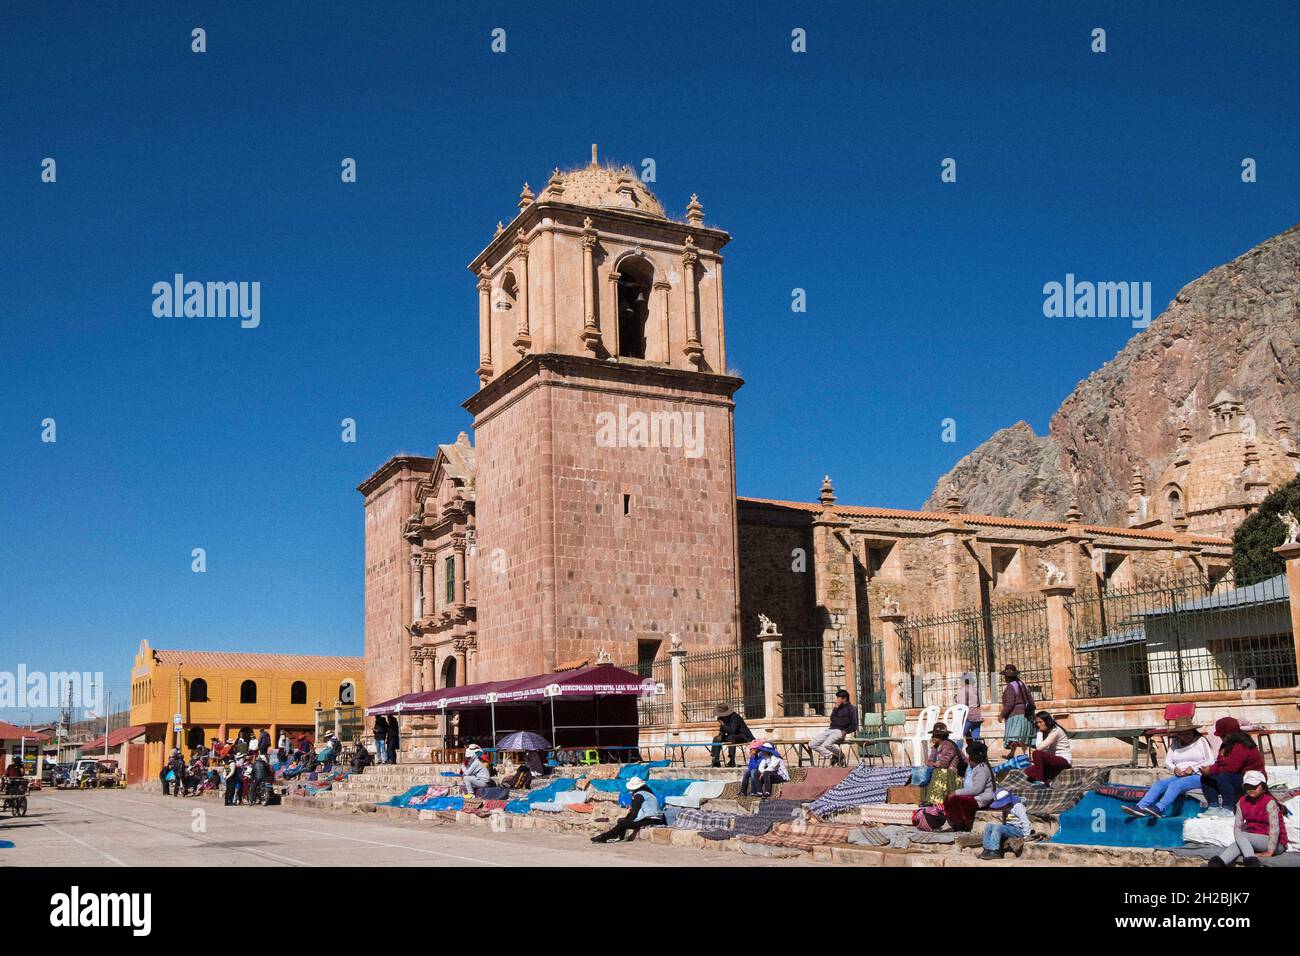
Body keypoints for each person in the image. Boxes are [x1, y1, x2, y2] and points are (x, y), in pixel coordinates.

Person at [1124, 716, 1215, 818]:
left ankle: (1159, 808)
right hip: (1180, 776)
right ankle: (1140, 807)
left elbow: (1210, 760)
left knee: (1176, 785)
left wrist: (1193, 768)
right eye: (1182, 734)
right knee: (1159, 784)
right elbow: (1167, 761)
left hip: (1198, 775)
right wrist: (1174, 769)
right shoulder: (1175, 742)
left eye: (1188, 733)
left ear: (1193, 731)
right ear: (1178, 734)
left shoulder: (1200, 740)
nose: (1186, 736)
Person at [1207, 770, 1289, 867]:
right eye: (1247, 786)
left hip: (1275, 843)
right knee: (1238, 841)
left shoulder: (1269, 802)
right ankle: (1218, 863)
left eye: (1254, 786)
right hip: (1253, 841)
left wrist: (1269, 852)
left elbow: (1274, 829)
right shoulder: (1242, 802)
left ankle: (1251, 862)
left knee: (1242, 836)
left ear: (1263, 787)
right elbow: (1237, 827)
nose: (1251, 789)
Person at [1198, 717, 1265, 814]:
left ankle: (1228, 808)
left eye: (1222, 736)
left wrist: (1211, 770)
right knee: (1206, 778)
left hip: (1251, 779)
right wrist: (1208, 771)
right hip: (1236, 776)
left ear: (1229, 734)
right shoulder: (1226, 745)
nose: (1221, 738)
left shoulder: (1242, 744)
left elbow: (1231, 768)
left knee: (1223, 776)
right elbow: (1220, 762)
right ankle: (1213, 806)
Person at [591, 777, 667, 844]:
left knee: (623, 823)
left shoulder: (639, 796)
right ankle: (620, 836)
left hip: (650, 819)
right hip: (658, 818)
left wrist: (627, 821)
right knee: (622, 821)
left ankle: (603, 837)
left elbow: (634, 813)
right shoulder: (648, 793)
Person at [943, 740, 994, 831]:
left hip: (981, 798)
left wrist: (956, 792)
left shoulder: (982, 769)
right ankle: (954, 821)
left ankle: (960, 823)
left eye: (970, 757)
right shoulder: (974, 768)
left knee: (956, 800)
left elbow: (977, 790)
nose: (968, 759)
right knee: (949, 798)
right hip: (975, 796)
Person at [979, 788, 1033, 860]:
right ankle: (987, 849)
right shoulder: (1006, 808)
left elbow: (1025, 822)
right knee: (989, 826)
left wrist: (1026, 836)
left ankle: (994, 851)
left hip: (1018, 830)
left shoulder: (1018, 806)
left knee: (997, 828)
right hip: (1009, 828)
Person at [810, 689, 858, 767]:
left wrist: (845, 731)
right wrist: (835, 708)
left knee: (826, 744)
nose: (837, 700)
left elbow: (854, 725)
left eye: (838, 698)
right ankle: (836, 755)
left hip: (840, 731)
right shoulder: (838, 707)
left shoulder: (851, 708)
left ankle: (838, 755)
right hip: (830, 730)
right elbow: (832, 719)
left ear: (844, 698)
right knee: (812, 744)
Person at [1026, 712, 1071, 787]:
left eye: (1040, 722)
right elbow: (1045, 750)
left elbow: (1039, 748)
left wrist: (1039, 732)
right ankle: (1049, 782)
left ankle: (1041, 782)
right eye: (1037, 722)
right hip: (1053, 761)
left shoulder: (1055, 731)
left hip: (1064, 760)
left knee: (1036, 753)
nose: (1038, 725)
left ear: (1047, 721)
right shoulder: (1048, 731)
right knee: (1028, 770)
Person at [924, 722, 964, 804]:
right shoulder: (936, 747)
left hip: (954, 774)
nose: (932, 737)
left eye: (935, 735)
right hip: (944, 771)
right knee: (925, 771)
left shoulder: (948, 746)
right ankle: (925, 798)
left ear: (941, 737)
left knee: (938, 772)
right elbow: (929, 762)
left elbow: (943, 764)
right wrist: (934, 764)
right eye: (933, 735)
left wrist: (935, 764)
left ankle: (934, 799)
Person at [999, 665, 1035, 759]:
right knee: (1019, 736)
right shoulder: (1023, 684)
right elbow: (1031, 700)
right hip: (1027, 714)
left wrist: (1002, 714)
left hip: (1017, 716)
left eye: (1005, 676)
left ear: (1008, 677)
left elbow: (1010, 703)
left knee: (1019, 738)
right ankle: (1011, 754)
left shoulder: (1011, 687)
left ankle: (1027, 756)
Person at [710, 703, 754, 768]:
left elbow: (733, 731)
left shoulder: (735, 717)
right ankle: (716, 760)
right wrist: (720, 735)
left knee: (731, 737)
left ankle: (732, 760)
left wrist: (723, 724)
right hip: (733, 737)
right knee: (716, 738)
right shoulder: (723, 719)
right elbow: (723, 730)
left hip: (744, 736)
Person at [957, 673, 983, 742]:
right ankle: (979, 751)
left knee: (960, 736)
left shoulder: (962, 690)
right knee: (976, 736)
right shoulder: (976, 689)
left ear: (964, 680)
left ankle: (957, 751)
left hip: (968, 715)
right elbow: (979, 702)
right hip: (978, 715)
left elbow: (961, 705)